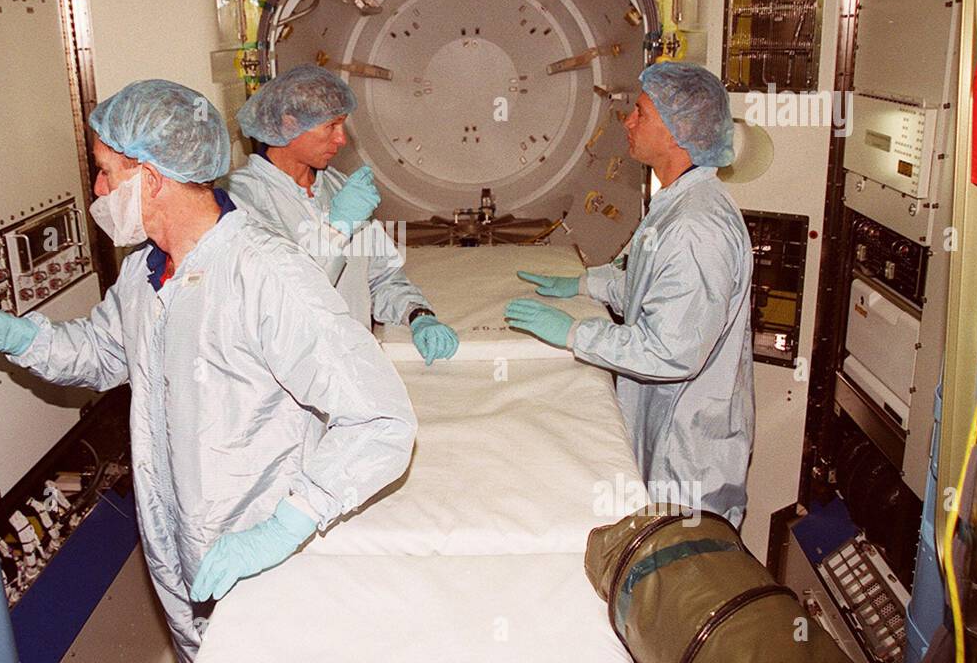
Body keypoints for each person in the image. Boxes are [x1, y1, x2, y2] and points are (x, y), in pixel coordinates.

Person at [0, 79, 417, 663]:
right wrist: (19, 337)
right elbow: (103, 352)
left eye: (104, 172)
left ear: (151, 177)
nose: (96, 191)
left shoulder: (263, 276)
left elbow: (381, 419)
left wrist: (284, 527)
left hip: (257, 552)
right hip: (174, 542)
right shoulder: (146, 269)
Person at [504, 62, 754, 527]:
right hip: (663, 429)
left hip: (688, 458)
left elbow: (671, 351)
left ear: (678, 132)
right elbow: (650, 285)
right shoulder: (678, 200)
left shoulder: (695, 228)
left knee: (682, 580)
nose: (628, 122)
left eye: (640, 113)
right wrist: (584, 284)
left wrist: (576, 333)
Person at [224, 64, 460, 365]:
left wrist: (417, 314)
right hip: (292, 373)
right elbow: (289, 298)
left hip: (353, 362)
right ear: (287, 124)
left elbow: (382, 277)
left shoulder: (338, 187)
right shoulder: (242, 199)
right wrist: (337, 228)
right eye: (331, 127)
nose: (341, 140)